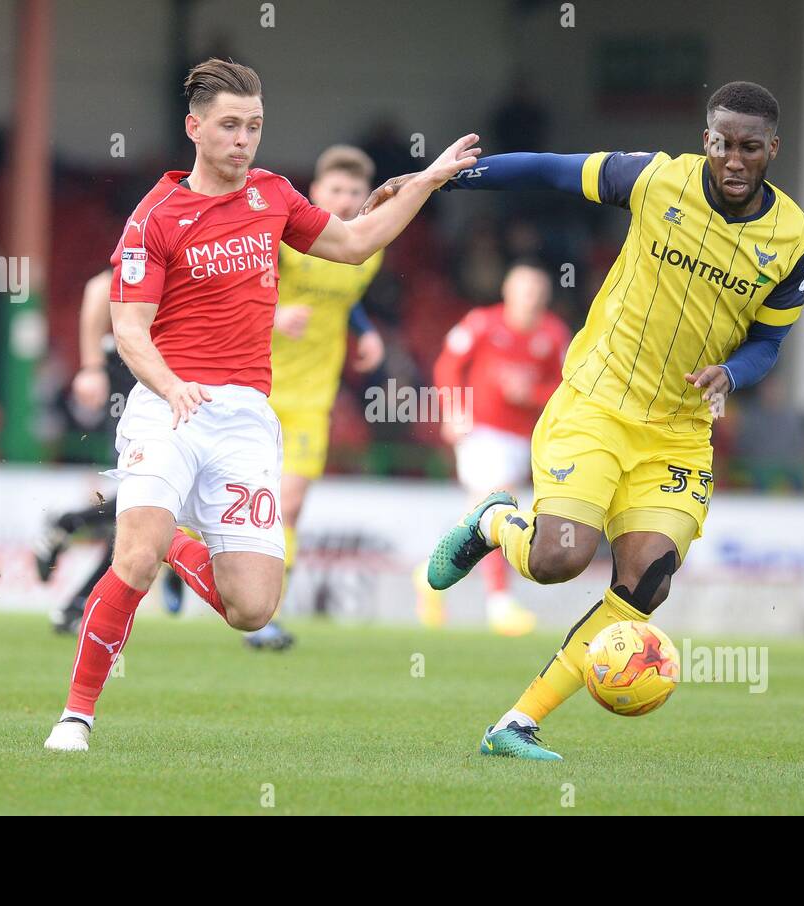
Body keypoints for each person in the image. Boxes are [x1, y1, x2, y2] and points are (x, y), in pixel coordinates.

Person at [368, 81, 804, 760]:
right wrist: (443, 180)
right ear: (706, 140)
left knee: (646, 584)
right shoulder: (654, 179)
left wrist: (733, 373)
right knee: (557, 559)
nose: (733, 159)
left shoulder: (795, 240)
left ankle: (516, 722)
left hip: (678, 431)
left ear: (772, 150)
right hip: (598, 403)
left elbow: (769, 342)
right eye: (722, 143)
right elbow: (550, 168)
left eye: (749, 147)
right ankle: (493, 521)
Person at [43, 58, 479, 751]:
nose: (243, 139)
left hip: (246, 418)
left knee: (252, 608)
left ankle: (177, 548)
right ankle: (76, 716)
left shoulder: (274, 196)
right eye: (229, 126)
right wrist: (169, 384)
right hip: (169, 407)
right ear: (194, 128)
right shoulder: (155, 216)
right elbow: (127, 328)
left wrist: (427, 179)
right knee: (133, 561)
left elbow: (357, 240)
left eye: (254, 126)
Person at [255, 145, 387, 651]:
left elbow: (344, 296)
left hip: (312, 398)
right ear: (314, 192)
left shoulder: (369, 247)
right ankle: (185, 564)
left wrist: (366, 330)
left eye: (355, 192)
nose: (346, 199)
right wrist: (275, 316)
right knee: (219, 498)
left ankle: (268, 614)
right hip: (253, 386)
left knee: (289, 505)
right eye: (335, 190)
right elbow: (234, 290)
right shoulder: (286, 239)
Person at [421, 261, 570, 635]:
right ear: (507, 292)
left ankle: (425, 576)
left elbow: (567, 388)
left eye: (536, 292)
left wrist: (531, 393)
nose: (529, 299)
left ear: (545, 296)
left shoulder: (554, 334)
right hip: (481, 432)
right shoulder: (482, 322)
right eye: (523, 290)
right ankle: (500, 604)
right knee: (497, 505)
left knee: (477, 516)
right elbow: (447, 365)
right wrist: (453, 411)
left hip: (524, 438)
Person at [33, 270, 183, 634]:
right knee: (146, 499)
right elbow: (99, 287)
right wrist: (91, 367)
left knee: (144, 505)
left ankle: (76, 584)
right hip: (134, 370)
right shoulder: (166, 228)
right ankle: (81, 584)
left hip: (166, 373)